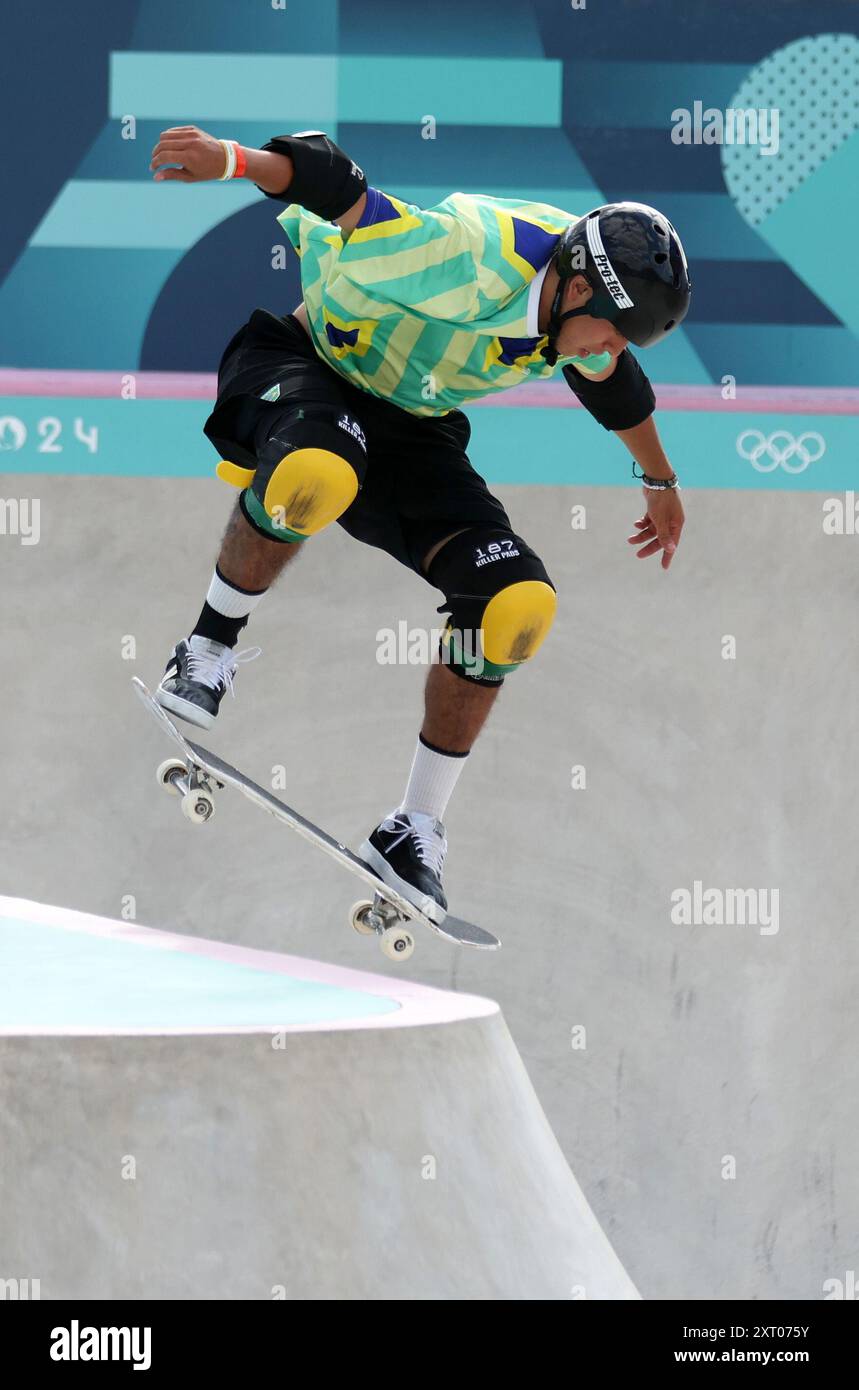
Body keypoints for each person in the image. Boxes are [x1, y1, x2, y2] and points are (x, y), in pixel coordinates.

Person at [148, 127, 691, 924]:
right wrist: (231, 160)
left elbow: (613, 384)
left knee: (514, 605)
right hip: (305, 366)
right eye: (610, 328)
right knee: (316, 472)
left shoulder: (584, 316)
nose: (606, 348)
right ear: (576, 289)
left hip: (413, 422)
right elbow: (344, 191)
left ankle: (412, 830)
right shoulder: (473, 254)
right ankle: (205, 649)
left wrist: (659, 482)